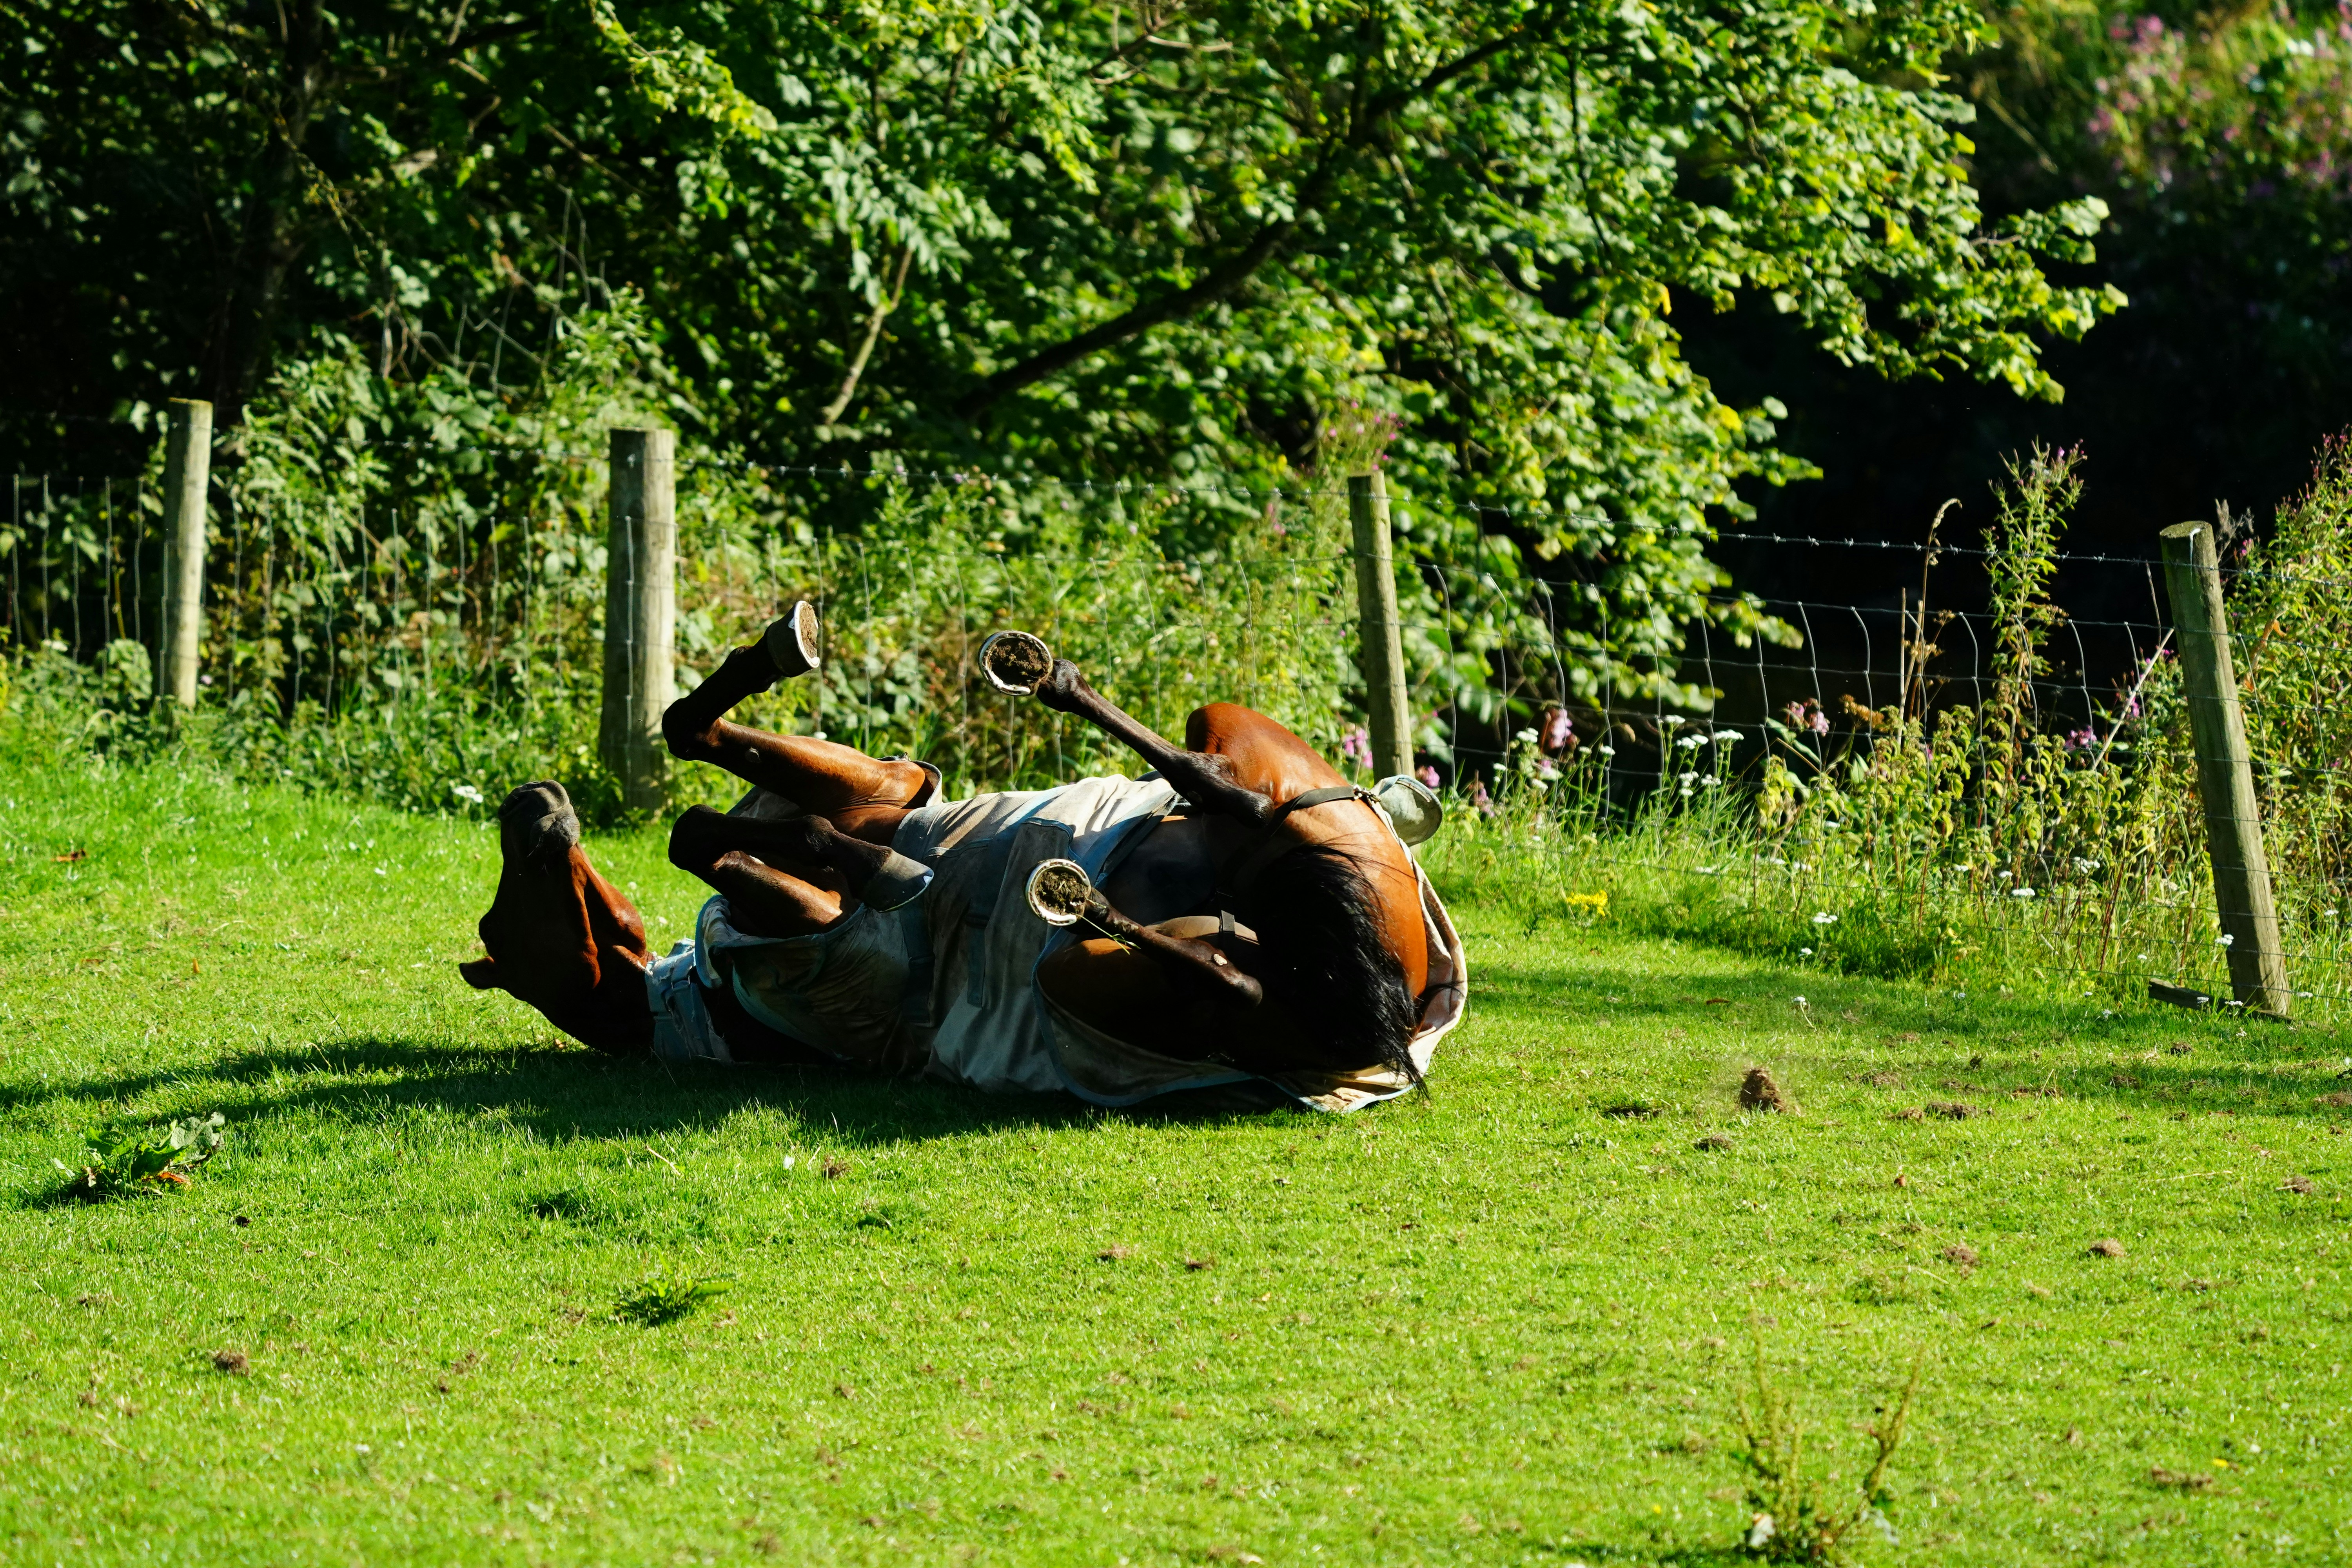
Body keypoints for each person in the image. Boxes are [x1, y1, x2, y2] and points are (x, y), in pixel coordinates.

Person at [462, 606, 1465, 1111]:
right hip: (894, 947)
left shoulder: (665, 1013)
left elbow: (609, 944)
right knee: (850, 874)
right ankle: (718, 752)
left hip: (921, 933)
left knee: (854, 866)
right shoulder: (680, 1017)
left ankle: (718, 751)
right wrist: (718, 852)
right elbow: (608, 941)